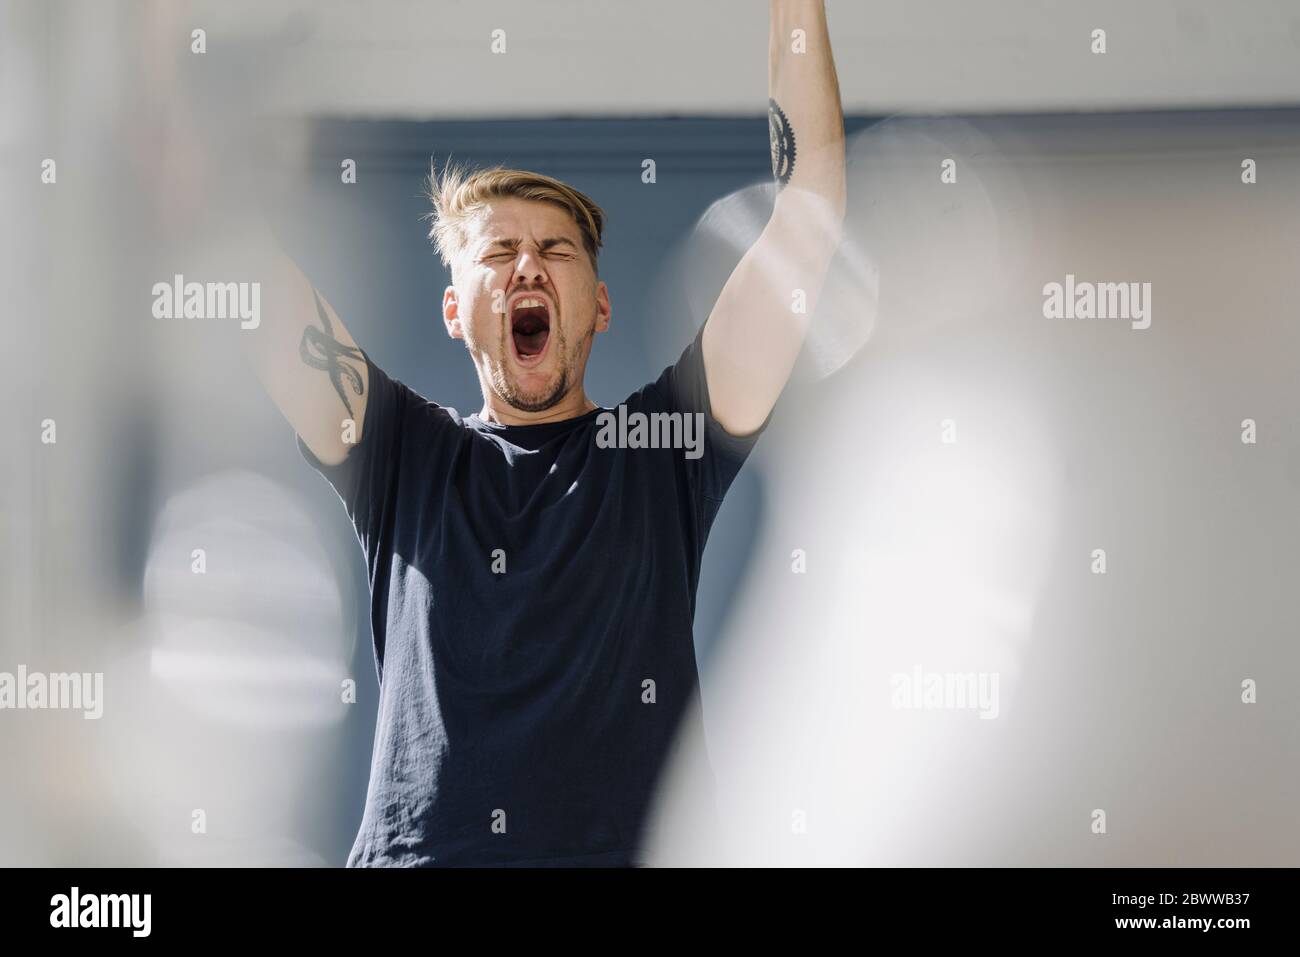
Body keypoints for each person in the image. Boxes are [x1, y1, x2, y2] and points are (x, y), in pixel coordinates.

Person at [251, 0, 845, 866]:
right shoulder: (400, 457)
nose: (528, 264)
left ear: (598, 306)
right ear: (456, 312)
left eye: (556, 252)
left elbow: (809, 211)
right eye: (497, 255)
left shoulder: (666, 449)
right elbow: (247, 277)